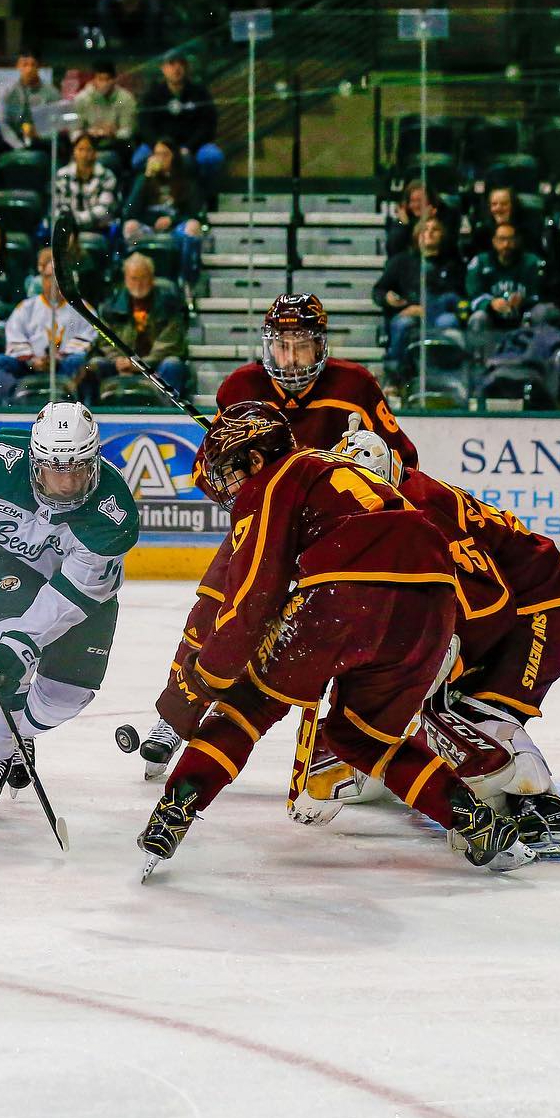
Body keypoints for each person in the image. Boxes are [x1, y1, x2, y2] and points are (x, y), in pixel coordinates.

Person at [136, 401, 534, 878]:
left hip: (347, 593)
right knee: (363, 737)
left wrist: (206, 678)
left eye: (230, 470)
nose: (228, 486)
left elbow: (251, 600)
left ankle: (176, 810)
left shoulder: (273, 483)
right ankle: (473, 821)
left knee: (249, 703)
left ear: (257, 459)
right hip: (432, 605)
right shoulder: (333, 471)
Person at [136, 294, 418, 780]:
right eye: (282, 346)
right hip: (264, 527)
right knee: (213, 607)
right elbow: (212, 476)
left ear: (321, 346)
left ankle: (337, 752)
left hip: (335, 540)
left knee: (331, 634)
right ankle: (175, 717)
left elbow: (401, 462)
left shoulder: (355, 386)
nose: (291, 357)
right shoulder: (241, 387)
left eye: (302, 345)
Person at [332, 426, 560, 857]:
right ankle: (520, 801)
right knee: (451, 710)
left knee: (463, 712)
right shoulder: (400, 498)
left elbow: (491, 603)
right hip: (516, 608)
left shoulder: (421, 512)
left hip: (536, 610)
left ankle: (541, 807)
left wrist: (449, 659)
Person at [0, 403, 139, 817]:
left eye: (78, 470)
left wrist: (23, 646)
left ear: (94, 462)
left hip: (80, 595)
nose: (68, 482)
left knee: (65, 697)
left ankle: (17, 731)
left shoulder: (113, 514)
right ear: (35, 463)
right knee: (1, 652)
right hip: (11, 561)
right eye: (57, 470)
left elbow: (69, 596)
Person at [372, 215, 466, 390]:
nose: (429, 233)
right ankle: (395, 379)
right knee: (402, 324)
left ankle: (449, 380)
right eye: (425, 229)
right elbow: (379, 291)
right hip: (409, 315)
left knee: (449, 321)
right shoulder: (401, 261)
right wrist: (388, 297)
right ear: (417, 235)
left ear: (443, 235)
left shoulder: (454, 265)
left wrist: (427, 310)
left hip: (440, 316)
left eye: (435, 230)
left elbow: (457, 298)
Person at [78, 251, 189, 399]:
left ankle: (169, 414)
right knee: (94, 365)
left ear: (152, 278)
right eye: (134, 278)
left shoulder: (170, 305)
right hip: (120, 364)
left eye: (143, 278)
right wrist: (119, 361)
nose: (139, 283)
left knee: (173, 364)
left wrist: (140, 364)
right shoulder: (110, 306)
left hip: (155, 365)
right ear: (126, 279)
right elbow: (104, 341)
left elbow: (170, 344)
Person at [0, 246, 96, 400]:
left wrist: (58, 359)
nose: (53, 283)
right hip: (30, 366)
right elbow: (15, 339)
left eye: (58, 278)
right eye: (48, 277)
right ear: (41, 278)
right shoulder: (26, 307)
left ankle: (72, 405)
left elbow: (88, 340)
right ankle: (10, 406)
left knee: (78, 362)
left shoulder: (83, 309)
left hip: (64, 367)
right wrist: (33, 361)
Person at [137, 49, 221, 190]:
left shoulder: (200, 92)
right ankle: (148, 200)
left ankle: (204, 200)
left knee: (213, 157)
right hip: (159, 146)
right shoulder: (152, 94)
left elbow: (208, 125)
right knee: (138, 160)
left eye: (181, 64)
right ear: (163, 68)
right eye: (171, 64)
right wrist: (158, 148)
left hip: (192, 147)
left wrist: (189, 147)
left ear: (187, 67)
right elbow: (145, 126)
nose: (177, 68)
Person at [122, 137, 204, 282]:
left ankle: (186, 281)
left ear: (174, 157)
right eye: (157, 154)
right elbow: (129, 211)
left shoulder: (186, 179)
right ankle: (131, 279)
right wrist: (146, 178)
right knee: (130, 227)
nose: (160, 158)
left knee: (193, 227)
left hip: (175, 227)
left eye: (165, 154)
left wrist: (171, 220)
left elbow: (194, 212)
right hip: (149, 226)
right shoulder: (143, 179)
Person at [464, 223, 545, 349]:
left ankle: (535, 360)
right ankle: (479, 360)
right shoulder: (480, 262)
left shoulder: (532, 262)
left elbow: (540, 295)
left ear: (518, 241)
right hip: (491, 317)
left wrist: (524, 301)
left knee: (542, 313)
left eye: (510, 239)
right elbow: (473, 297)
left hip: (524, 315)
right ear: (494, 241)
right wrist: (491, 304)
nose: (506, 245)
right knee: (478, 317)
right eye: (501, 239)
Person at [53, 133, 119, 235]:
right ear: (74, 152)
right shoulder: (63, 174)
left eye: (88, 150)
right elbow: (59, 204)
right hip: (67, 229)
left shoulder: (107, 176)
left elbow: (105, 209)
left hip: (97, 229)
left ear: (95, 153)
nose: (84, 155)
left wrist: (77, 221)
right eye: (80, 149)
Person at [0, 49, 60, 151]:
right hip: (13, 139)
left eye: (33, 65)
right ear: (18, 66)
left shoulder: (52, 93)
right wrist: (18, 146)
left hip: (41, 139)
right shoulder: (8, 92)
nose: (29, 69)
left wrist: (38, 133)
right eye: (25, 65)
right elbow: (2, 122)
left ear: (38, 67)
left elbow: (57, 124)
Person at [70, 60, 137, 153]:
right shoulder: (81, 99)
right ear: (93, 80)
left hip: (116, 147)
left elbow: (128, 131)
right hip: (87, 146)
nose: (105, 84)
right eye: (100, 79)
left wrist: (114, 133)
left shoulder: (126, 98)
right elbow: (74, 132)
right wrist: (88, 134)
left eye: (108, 79)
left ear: (114, 80)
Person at [466, 186, 542, 259]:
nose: (498, 208)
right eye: (494, 204)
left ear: (513, 206)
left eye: (504, 204)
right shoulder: (481, 234)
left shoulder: (526, 234)